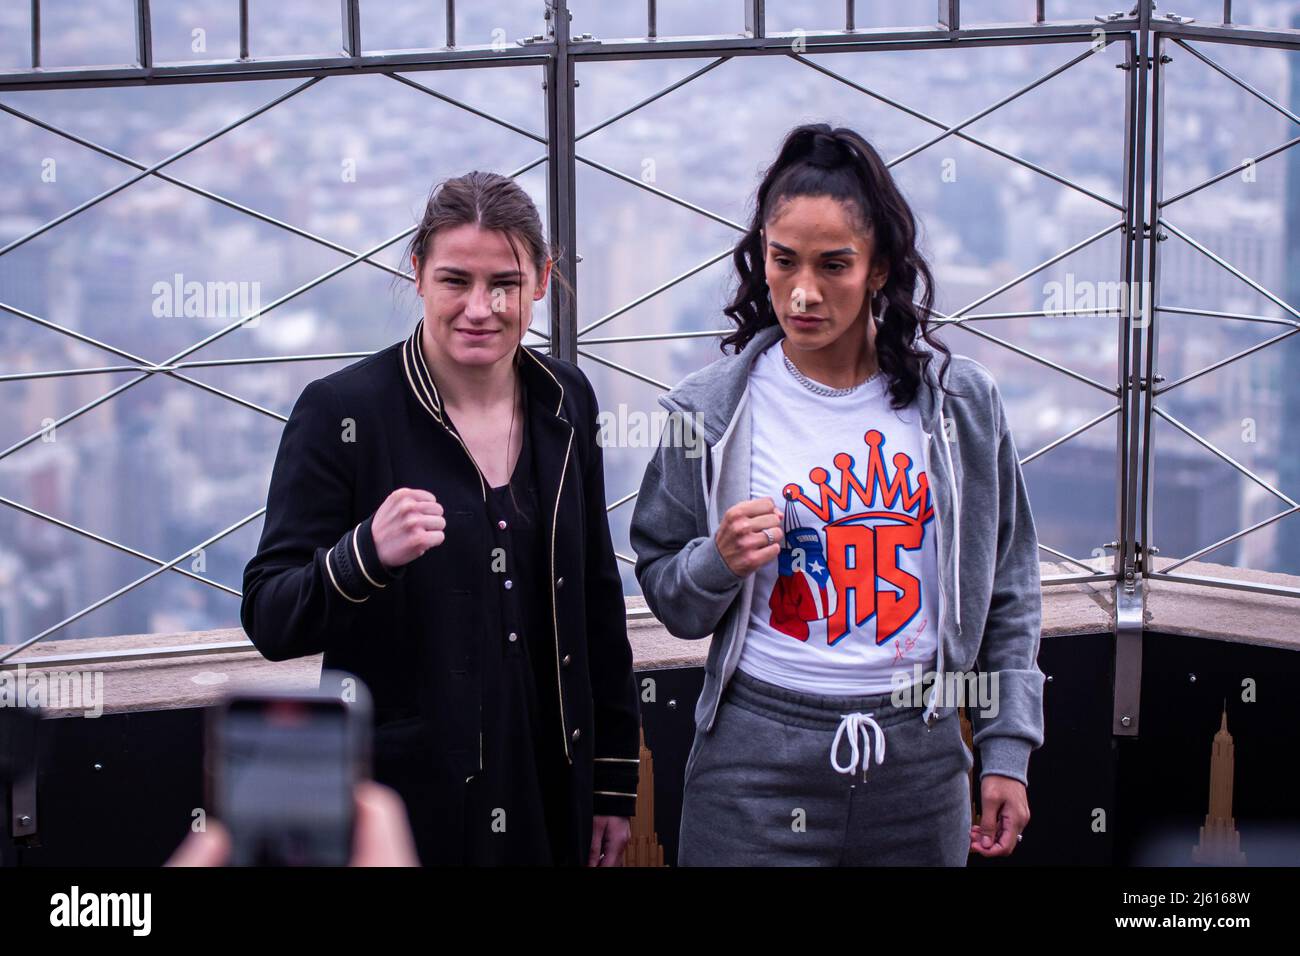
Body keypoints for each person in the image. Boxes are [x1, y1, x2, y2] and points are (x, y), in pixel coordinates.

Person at [629, 124, 1045, 866]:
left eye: (835, 266)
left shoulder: (960, 406)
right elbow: (670, 596)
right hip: (753, 765)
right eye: (782, 261)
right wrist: (717, 562)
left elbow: (1008, 586)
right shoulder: (708, 414)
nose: (803, 292)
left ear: (880, 267)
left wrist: (1007, 747)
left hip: (919, 768)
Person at [241, 171, 640, 866]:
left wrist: (612, 786)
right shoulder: (345, 412)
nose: (480, 308)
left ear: (541, 282)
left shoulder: (565, 400)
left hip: (552, 790)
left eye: (505, 284)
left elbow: (598, 602)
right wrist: (363, 555)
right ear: (418, 273)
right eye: (456, 280)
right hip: (410, 810)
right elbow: (269, 615)